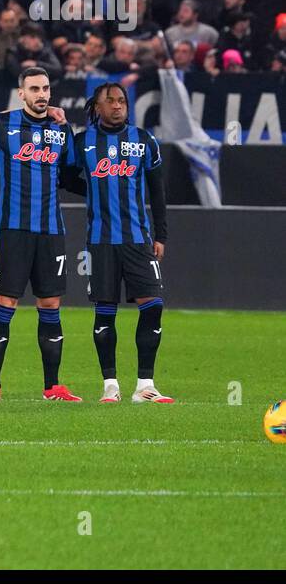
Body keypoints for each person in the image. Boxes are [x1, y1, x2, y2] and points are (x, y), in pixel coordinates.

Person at [0, 67, 81, 401]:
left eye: (45, 88)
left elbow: (71, 172)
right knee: (6, 303)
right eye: (34, 89)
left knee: (50, 303)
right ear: (21, 93)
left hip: (51, 231)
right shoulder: (3, 126)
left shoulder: (61, 130)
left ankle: (52, 386)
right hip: (13, 230)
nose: (41, 94)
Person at [62, 82, 172, 403]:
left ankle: (145, 385)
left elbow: (157, 192)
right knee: (105, 312)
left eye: (121, 100)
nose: (117, 105)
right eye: (109, 101)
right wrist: (96, 191)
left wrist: (161, 234)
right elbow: (66, 178)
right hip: (101, 242)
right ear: (97, 107)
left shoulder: (144, 141)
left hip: (139, 240)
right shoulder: (82, 143)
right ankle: (110, 385)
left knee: (152, 307)